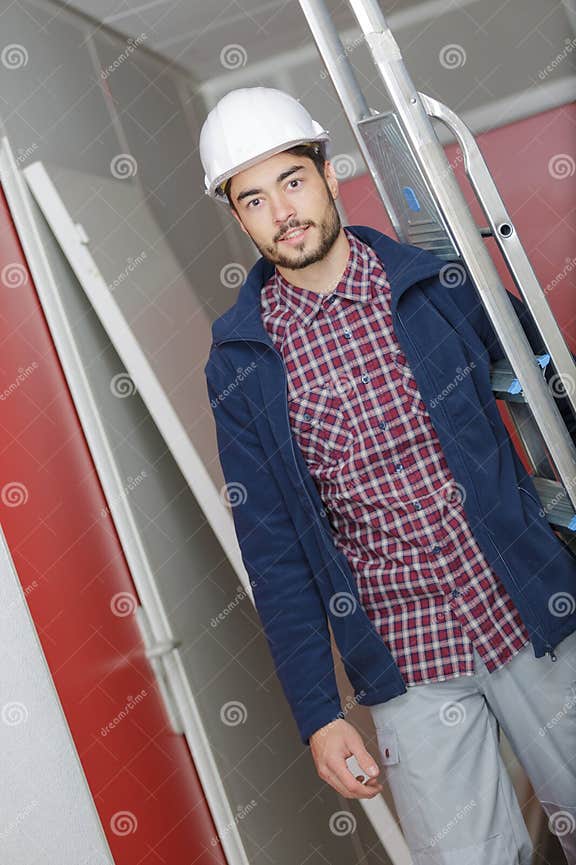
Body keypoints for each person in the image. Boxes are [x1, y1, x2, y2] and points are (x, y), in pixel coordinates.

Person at [199, 86, 576, 864]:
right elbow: (273, 550)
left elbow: (551, 396)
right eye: (256, 199)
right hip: (408, 662)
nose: (283, 211)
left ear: (330, 175)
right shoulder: (240, 361)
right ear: (239, 218)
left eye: (293, 181)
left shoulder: (434, 283)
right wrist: (317, 712)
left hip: (530, 608)